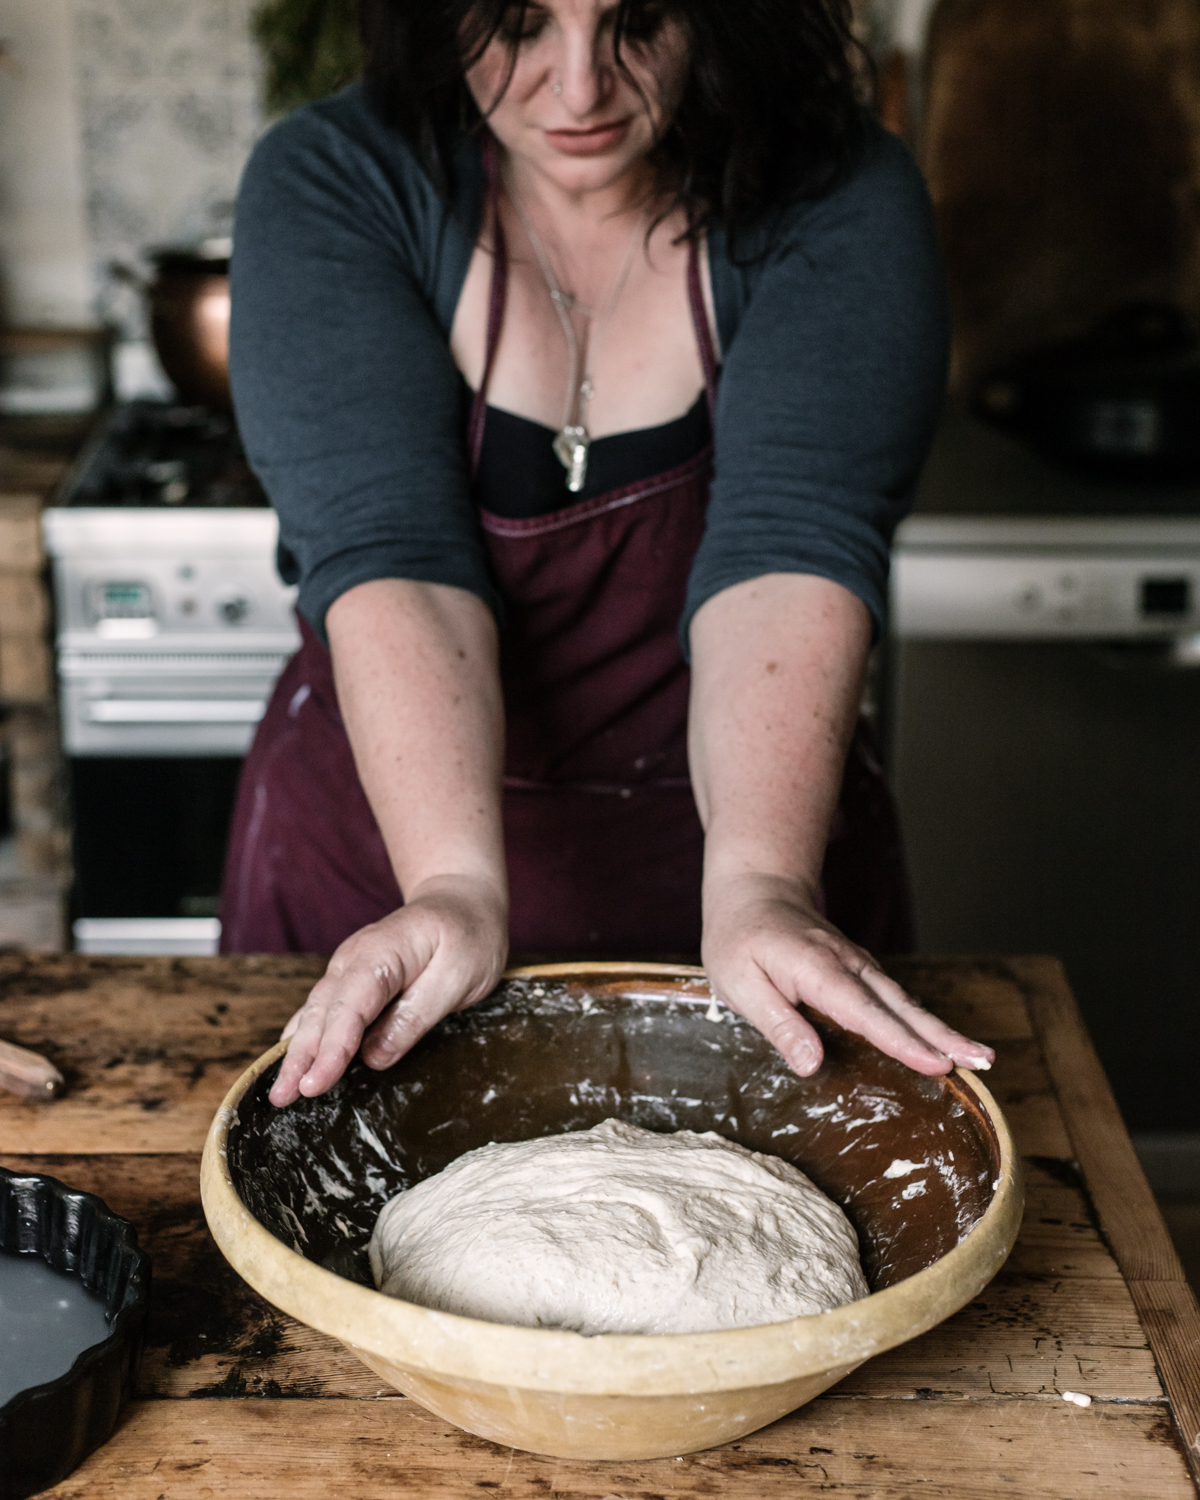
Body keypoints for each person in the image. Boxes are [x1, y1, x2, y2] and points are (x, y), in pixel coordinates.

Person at [221, 0, 995, 1108]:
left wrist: (764, 882)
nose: (578, 87)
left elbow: (791, 547)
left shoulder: (836, 190)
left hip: (742, 864)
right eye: (521, 23)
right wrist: (449, 885)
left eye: (638, 20)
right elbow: (395, 557)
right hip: (385, 873)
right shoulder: (340, 178)